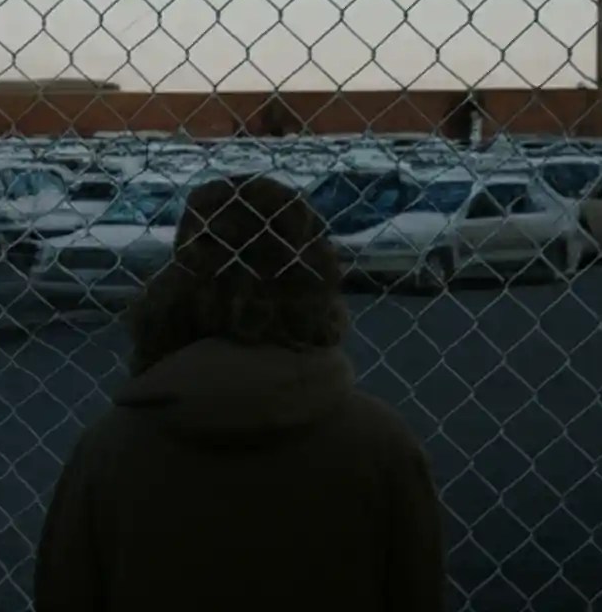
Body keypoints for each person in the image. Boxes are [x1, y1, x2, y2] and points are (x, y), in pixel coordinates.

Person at [34, 175, 444, 611]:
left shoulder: (109, 451)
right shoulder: (382, 447)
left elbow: (64, 593)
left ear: (177, 285)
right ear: (315, 282)